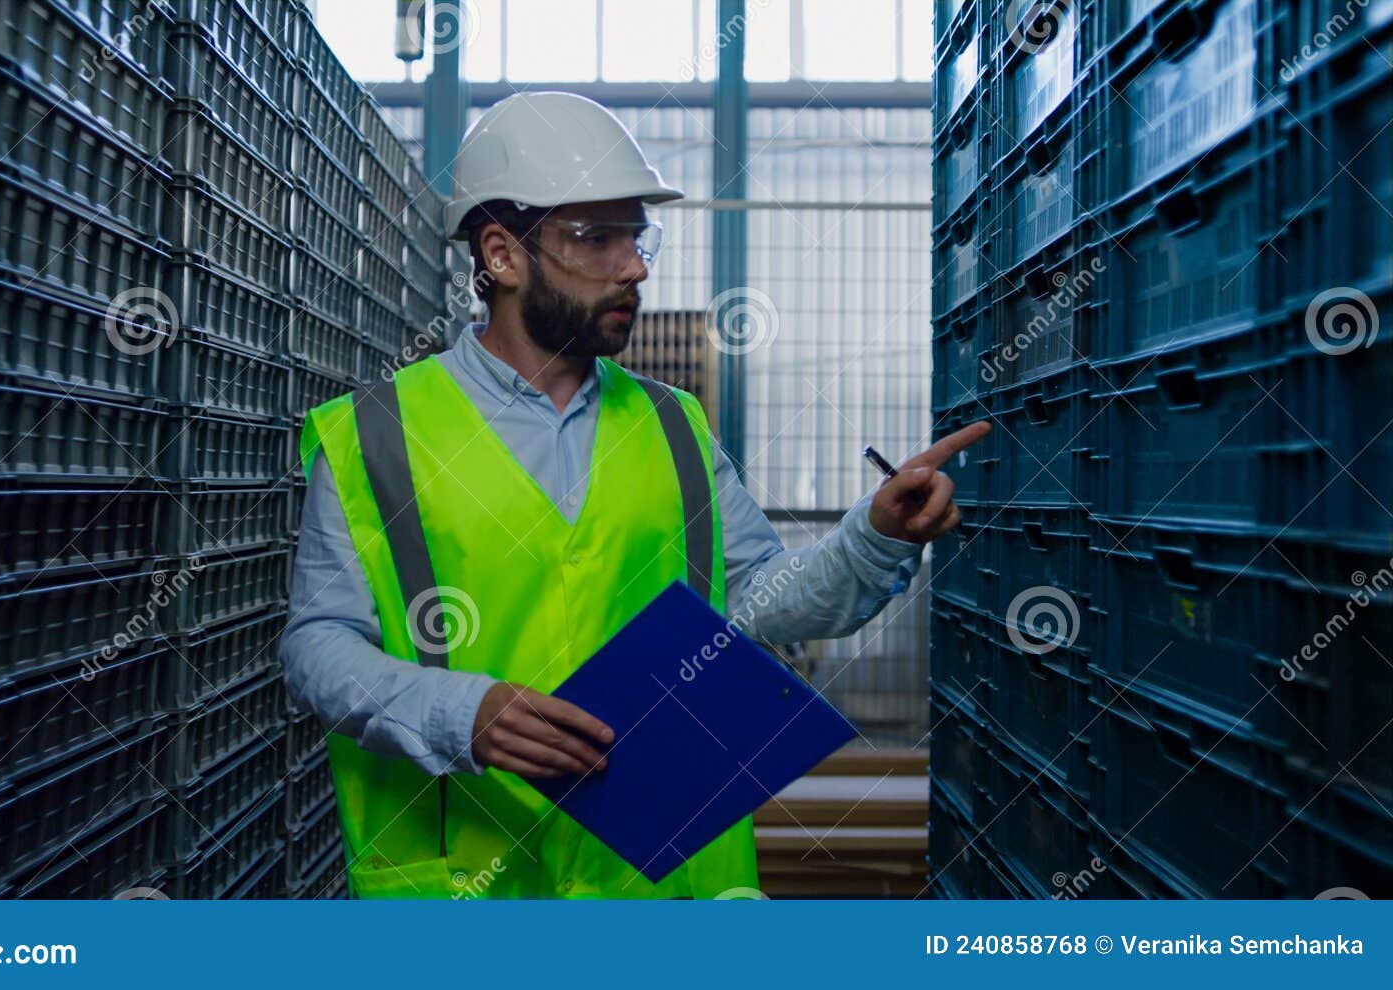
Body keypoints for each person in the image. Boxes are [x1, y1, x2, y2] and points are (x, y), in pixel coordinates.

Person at [280, 91, 989, 899]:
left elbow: (758, 600)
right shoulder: (373, 433)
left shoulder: (672, 424)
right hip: (470, 890)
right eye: (596, 237)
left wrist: (875, 535)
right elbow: (318, 646)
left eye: (637, 235)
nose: (636, 266)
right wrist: (458, 712)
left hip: (667, 884)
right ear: (502, 255)